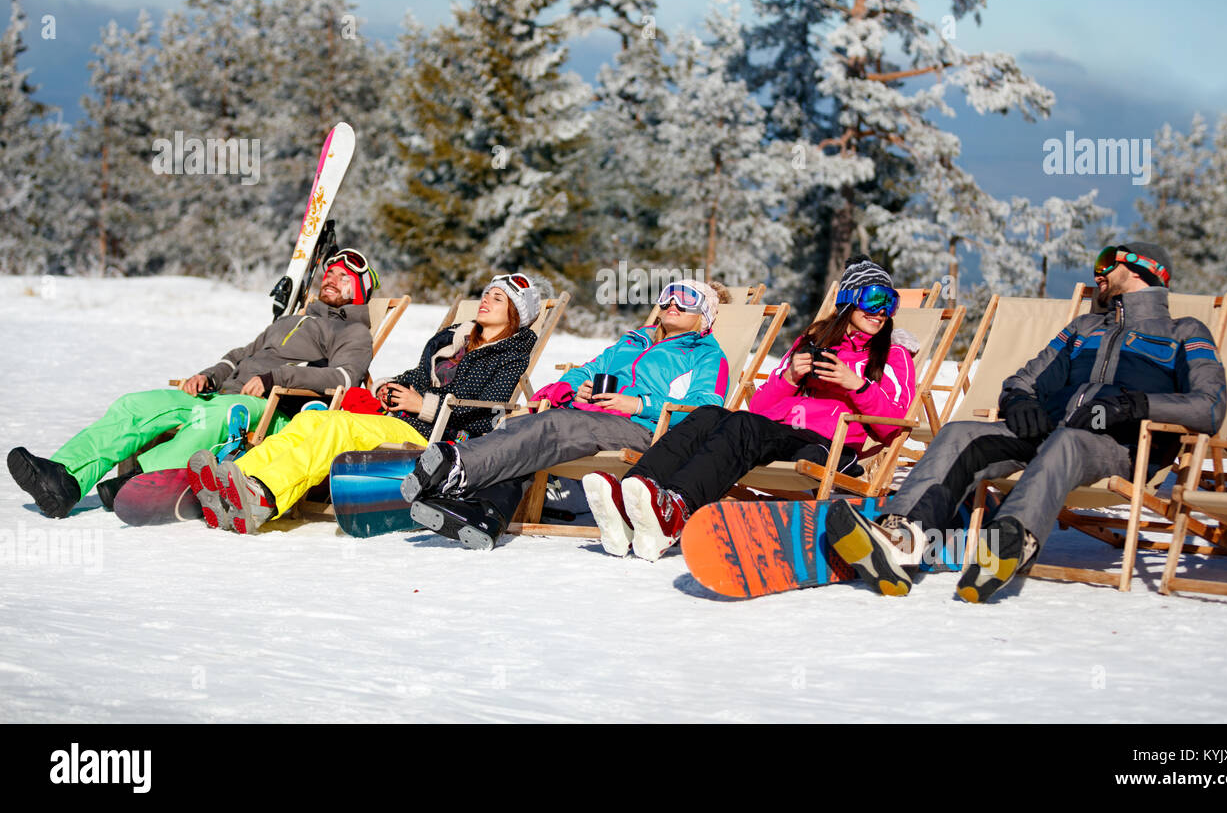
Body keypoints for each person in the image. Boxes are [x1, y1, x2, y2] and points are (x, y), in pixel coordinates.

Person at [826, 242, 1227, 603]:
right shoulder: (1083, 329)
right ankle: (901, 539)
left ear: (1145, 270)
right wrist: (1018, 400)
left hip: (1120, 448)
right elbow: (1023, 379)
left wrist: (1134, 405)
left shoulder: (1185, 333)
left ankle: (1007, 542)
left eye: (1107, 261)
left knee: (1068, 442)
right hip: (1051, 435)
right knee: (961, 432)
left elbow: (1208, 407)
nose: (1098, 273)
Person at [584, 257, 920, 561]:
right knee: (706, 416)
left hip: (828, 447)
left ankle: (677, 509)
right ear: (848, 301)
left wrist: (856, 385)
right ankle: (630, 499)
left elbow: (894, 427)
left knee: (743, 425)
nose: (881, 311)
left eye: (889, 303)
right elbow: (761, 406)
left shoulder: (893, 355)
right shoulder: (813, 342)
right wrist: (789, 377)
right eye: (873, 299)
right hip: (779, 435)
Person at [8, 248, 379, 520]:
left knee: (214, 417)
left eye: (341, 276)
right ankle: (65, 477)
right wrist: (209, 375)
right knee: (136, 404)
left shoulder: (353, 332)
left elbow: (343, 378)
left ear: (359, 289)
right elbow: (237, 355)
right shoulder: (289, 322)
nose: (329, 278)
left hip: (272, 408)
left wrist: (275, 378)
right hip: (225, 394)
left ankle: (141, 480)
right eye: (328, 273)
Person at [188, 273, 541, 534]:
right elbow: (418, 375)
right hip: (407, 419)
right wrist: (392, 387)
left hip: (440, 437)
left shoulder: (510, 354)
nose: (485, 300)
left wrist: (423, 405)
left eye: (497, 298)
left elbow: (485, 406)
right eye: (486, 294)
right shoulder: (455, 341)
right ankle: (237, 479)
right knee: (315, 422)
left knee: (339, 427)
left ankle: (263, 493)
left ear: (514, 313)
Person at [401, 280, 732, 550]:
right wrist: (577, 388)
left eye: (686, 300)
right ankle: (486, 514)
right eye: (667, 297)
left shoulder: (707, 355)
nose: (672, 304)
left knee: (555, 427)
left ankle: (458, 466)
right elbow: (586, 370)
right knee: (524, 426)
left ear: (704, 315)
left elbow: (707, 409)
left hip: (646, 429)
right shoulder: (634, 340)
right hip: (593, 417)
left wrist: (639, 404)